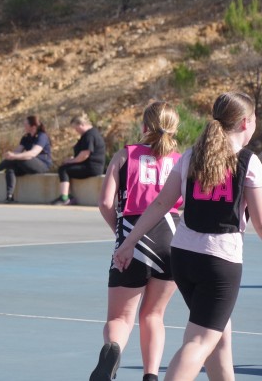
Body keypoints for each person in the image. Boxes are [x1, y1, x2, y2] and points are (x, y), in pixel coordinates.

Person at [113, 92, 262, 381]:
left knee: (219, 339)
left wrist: (129, 242)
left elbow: (159, 203)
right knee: (199, 342)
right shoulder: (248, 162)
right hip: (219, 262)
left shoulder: (192, 155)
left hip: (183, 258)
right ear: (246, 123)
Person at [89, 101, 182, 381]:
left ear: (143, 127)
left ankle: (112, 350)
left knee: (120, 318)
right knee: (154, 315)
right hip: (171, 236)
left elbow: (105, 202)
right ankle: (151, 376)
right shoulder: (180, 160)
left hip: (133, 232)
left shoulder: (124, 156)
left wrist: (123, 236)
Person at [0, 114, 52, 202]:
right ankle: (9, 196)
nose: (24, 126)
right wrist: (9, 154)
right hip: (27, 163)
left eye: (26, 124)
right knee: (10, 169)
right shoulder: (26, 137)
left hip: (42, 165)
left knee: (19, 158)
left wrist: (14, 156)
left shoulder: (42, 136)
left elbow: (33, 153)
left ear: (33, 127)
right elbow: (18, 151)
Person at [52, 113, 105, 205]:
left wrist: (70, 161)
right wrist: (73, 159)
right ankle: (68, 196)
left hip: (91, 167)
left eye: (76, 128)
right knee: (66, 167)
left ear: (82, 124)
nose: (76, 131)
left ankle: (64, 197)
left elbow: (85, 155)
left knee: (63, 169)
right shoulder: (90, 133)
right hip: (90, 165)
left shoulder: (89, 135)